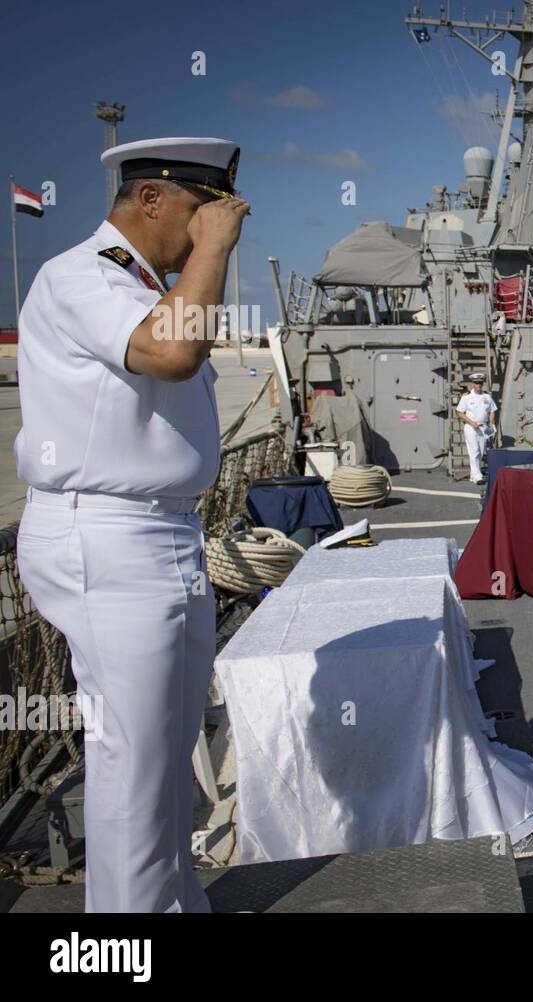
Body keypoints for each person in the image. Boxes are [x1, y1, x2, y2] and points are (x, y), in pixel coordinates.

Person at [15, 137, 249, 912]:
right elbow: (175, 354)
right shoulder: (81, 275)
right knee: (133, 760)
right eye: (203, 211)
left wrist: (201, 253)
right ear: (151, 199)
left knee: (164, 756)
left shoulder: (145, 286)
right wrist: (213, 250)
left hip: (161, 536)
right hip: (109, 536)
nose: (215, 227)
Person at [455, 372, 497, 484]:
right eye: (476, 383)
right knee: (474, 451)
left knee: (481, 451)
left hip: (483, 427)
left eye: (480, 383)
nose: (478, 385)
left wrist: (491, 424)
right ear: (472, 383)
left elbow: (492, 410)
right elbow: (459, 412)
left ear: (482, 383)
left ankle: (473, 476)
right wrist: (471, 422)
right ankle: (477, 476)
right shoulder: (467, 397)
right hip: (471, 427)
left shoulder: (487, 397)